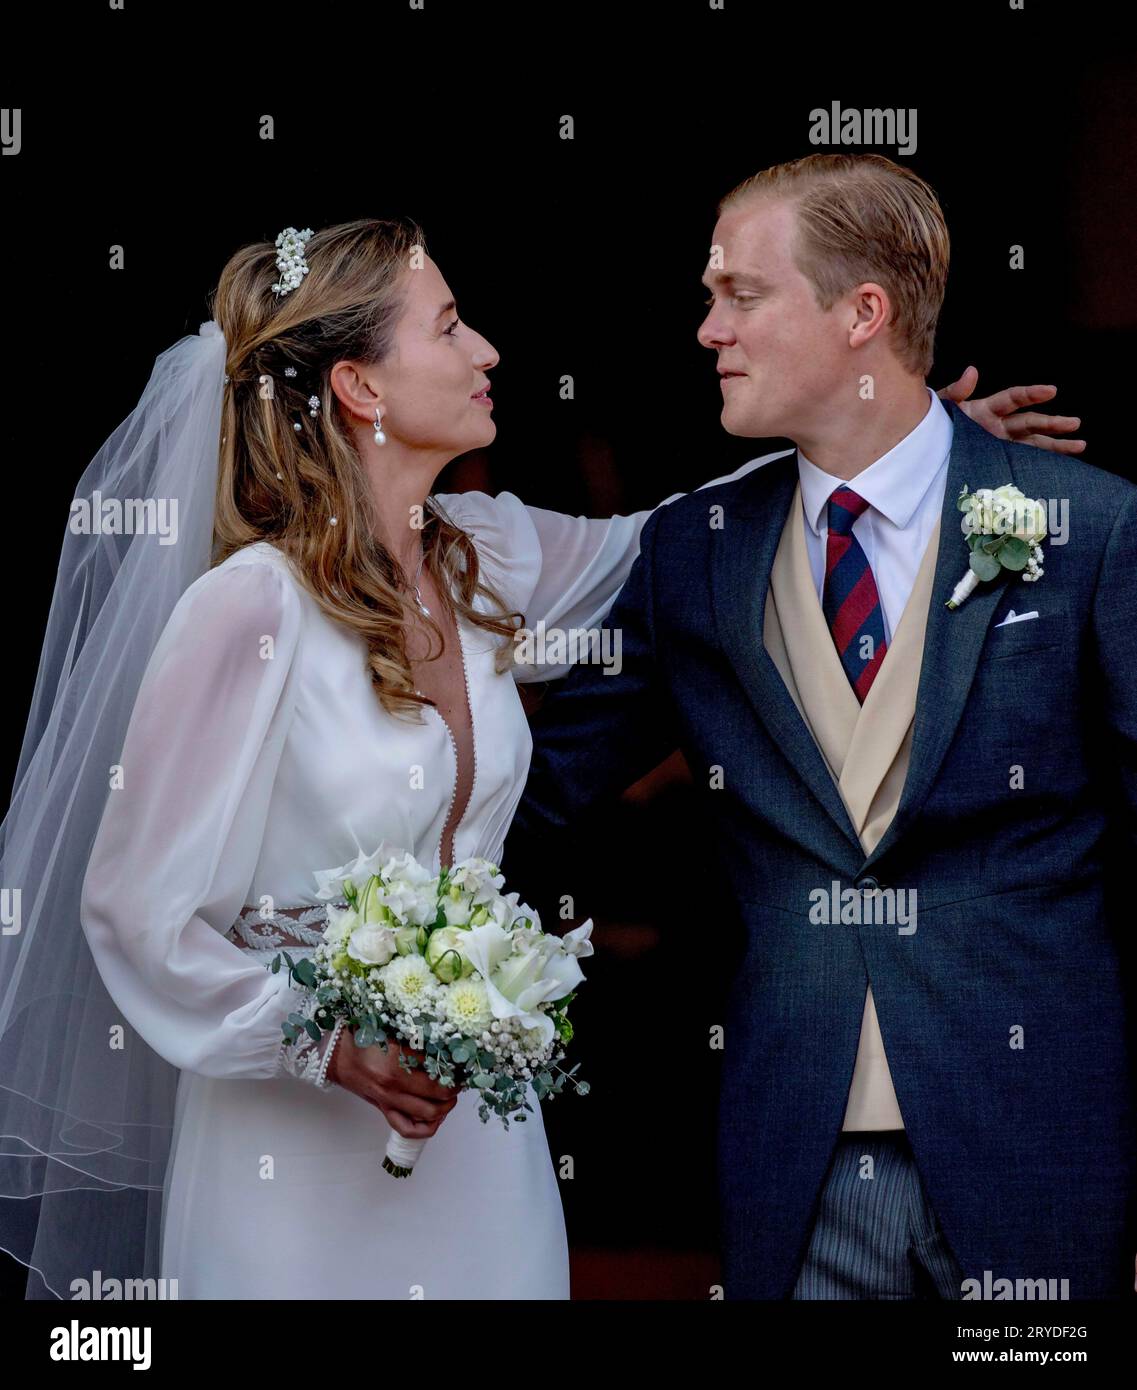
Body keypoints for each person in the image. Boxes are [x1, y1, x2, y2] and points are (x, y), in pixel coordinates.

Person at [0, 213, 1078, 1301]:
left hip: (481, 1141)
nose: (488, 353)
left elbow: (683, 533)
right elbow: (134, 909)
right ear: (361, 390)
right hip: (292, 1143)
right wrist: (325, 1043)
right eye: (452, 327)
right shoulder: (250, 609)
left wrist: (906, 440)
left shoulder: (487, 557)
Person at [512, 154, 1137, 1301]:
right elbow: (534, 797)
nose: (708, 329)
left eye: (741, 295)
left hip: (1039, 1148)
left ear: (865, 314)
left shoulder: (1089, 532)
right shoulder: (693, 552)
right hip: (794, 1158)